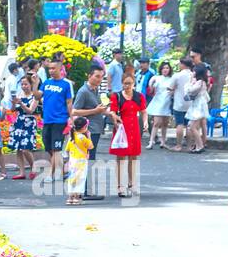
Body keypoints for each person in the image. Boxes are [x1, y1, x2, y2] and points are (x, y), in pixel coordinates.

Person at [71, 63, 110, 200]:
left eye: (101, 77)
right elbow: (75, 111)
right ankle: (86, 191)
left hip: (96, 129)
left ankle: (86, 190)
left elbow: (101, 108)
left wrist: (112, 116)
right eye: (97, 76)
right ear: (90, 76)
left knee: (90, 159)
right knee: (88, 160)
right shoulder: (84, 91)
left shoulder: (95, 90)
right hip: (88, 131)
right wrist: (95, 111)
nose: (99, 79)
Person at [109, 69, 146, 197]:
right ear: (121, 83)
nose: (127, 86)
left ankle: (132, 184)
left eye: (130, 83)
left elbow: (143, 111)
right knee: (121, 158)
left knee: (133, 157)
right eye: (125, 83)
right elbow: (112, 111)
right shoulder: (116, 96)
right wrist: (114, 118)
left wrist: (145, 122)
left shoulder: (139, 96)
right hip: (121, 128)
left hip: (134, 127)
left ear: (134, 83)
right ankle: (120, 186)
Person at [39, 61, 76, 185]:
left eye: (53, 68)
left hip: (59, 120)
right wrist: (34, 84)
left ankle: (51, 173)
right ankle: (61, 165)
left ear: (60, 69)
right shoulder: (46, 83)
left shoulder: (66, 84)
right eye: (49, 69)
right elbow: (37, 96)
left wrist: (71, 118)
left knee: (56, 148)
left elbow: (69, 103)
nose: (51, 70)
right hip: (47, 120)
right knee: (49, 147)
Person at [10, 75, 39, 180]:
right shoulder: (19, 94)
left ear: (31, 84)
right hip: (19, 122)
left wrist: (21, 103)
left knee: (26, 148)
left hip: (29, 122)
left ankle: (33, 168)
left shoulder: (35, 96)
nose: (23, 86)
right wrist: (14, 104)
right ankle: (21, 172)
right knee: (18, 148)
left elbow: (30, 110)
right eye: (22, 84)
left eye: (26, 84)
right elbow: (13, 110)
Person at [145, 61, 174, 149]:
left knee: (165, 123)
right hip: (158, 102)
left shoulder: (172, 79)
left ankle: (163, 142)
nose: (165, 70)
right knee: (156, 123)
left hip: (167, 102)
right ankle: (151, 141)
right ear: (161, 69)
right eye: (164, 68)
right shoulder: (156, 78)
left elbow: (174, 90)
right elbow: (151, 88)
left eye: (167, 68)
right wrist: (151, 85)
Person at [65, 117, 93, 206]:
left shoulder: (71, 138)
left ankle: (70, 197)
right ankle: (77, 197)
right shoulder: (83, 138)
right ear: (84, 127)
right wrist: (89, 136)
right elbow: (90, 146)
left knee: (72, 178)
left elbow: (67, 149)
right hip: (81, 161)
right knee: (80, 178)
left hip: (72, 161)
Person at [185, 63, 211, 153]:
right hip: (199, 105)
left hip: (198, 106)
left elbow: (189, 90)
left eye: (194, 71)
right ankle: (198, 145)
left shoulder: (199, 82)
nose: (193, 72)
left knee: (192, 127)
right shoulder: (202, 82)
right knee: (194, 126)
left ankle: (199, 146)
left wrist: (190, 81)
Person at [169, 58, 194, 151]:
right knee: (189, 125)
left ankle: (178, 145)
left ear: (183, 64)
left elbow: (170, 88)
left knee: (179, 124)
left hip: (179, 103)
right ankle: (189, 146)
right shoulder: (193, 75)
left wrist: (174, 89)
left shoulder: (177, 75)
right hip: (191, 103)